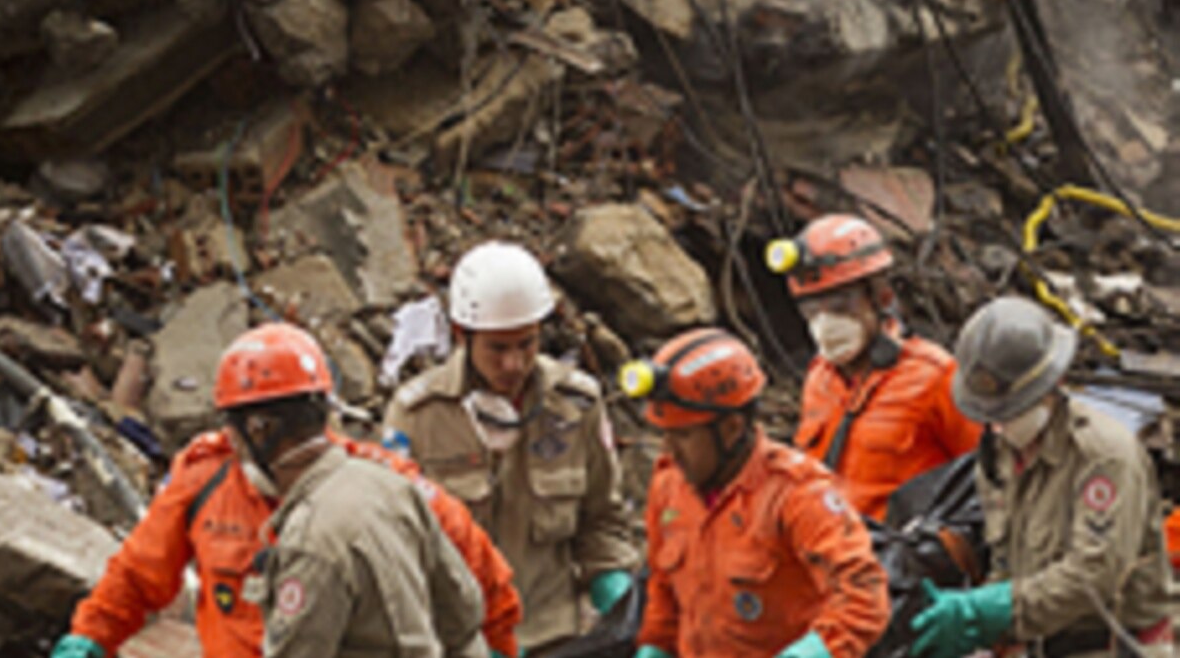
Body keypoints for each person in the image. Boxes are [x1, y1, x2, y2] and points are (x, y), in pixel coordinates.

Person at [54, 323, 520, 658]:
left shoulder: (381, 490)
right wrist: (90, 638)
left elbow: (483, 580)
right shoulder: (206, 481)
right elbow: (137, 575)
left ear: (257, 428)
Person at [384, 241, 638, 654]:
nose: (514, 364)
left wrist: (615, 588)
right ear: (462, 335)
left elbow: (602, 521)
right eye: (497, 348)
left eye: (527, 344)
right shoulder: (417, 415)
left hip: (553, 637)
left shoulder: (577, 405)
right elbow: (395, 541)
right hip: (461, 642)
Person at [911, 296, 1174, 658]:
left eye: (1013, 409)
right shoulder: (998, 459)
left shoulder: (1102, 455)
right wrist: (978, 617)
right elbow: (1006, 562)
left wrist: (996, 611)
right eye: (992, 415)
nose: (1002, 424)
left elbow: (1096, 573)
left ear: (1053, 385)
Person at [623, 328, 891, 658]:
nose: (670, 450)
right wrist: (655, 645)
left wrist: (814, 651)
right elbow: (663, 588)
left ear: (732, 428)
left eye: (684, 436)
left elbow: (864, 594)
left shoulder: (796, 493)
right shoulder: (669, 485)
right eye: (665, 434)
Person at [765, 213, 983, 520]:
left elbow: (988, 476)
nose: (824, 322)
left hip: (905, 557)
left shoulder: (934, 376)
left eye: (841, 305)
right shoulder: (819, 380)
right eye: (811, 309)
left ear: (881, 297)